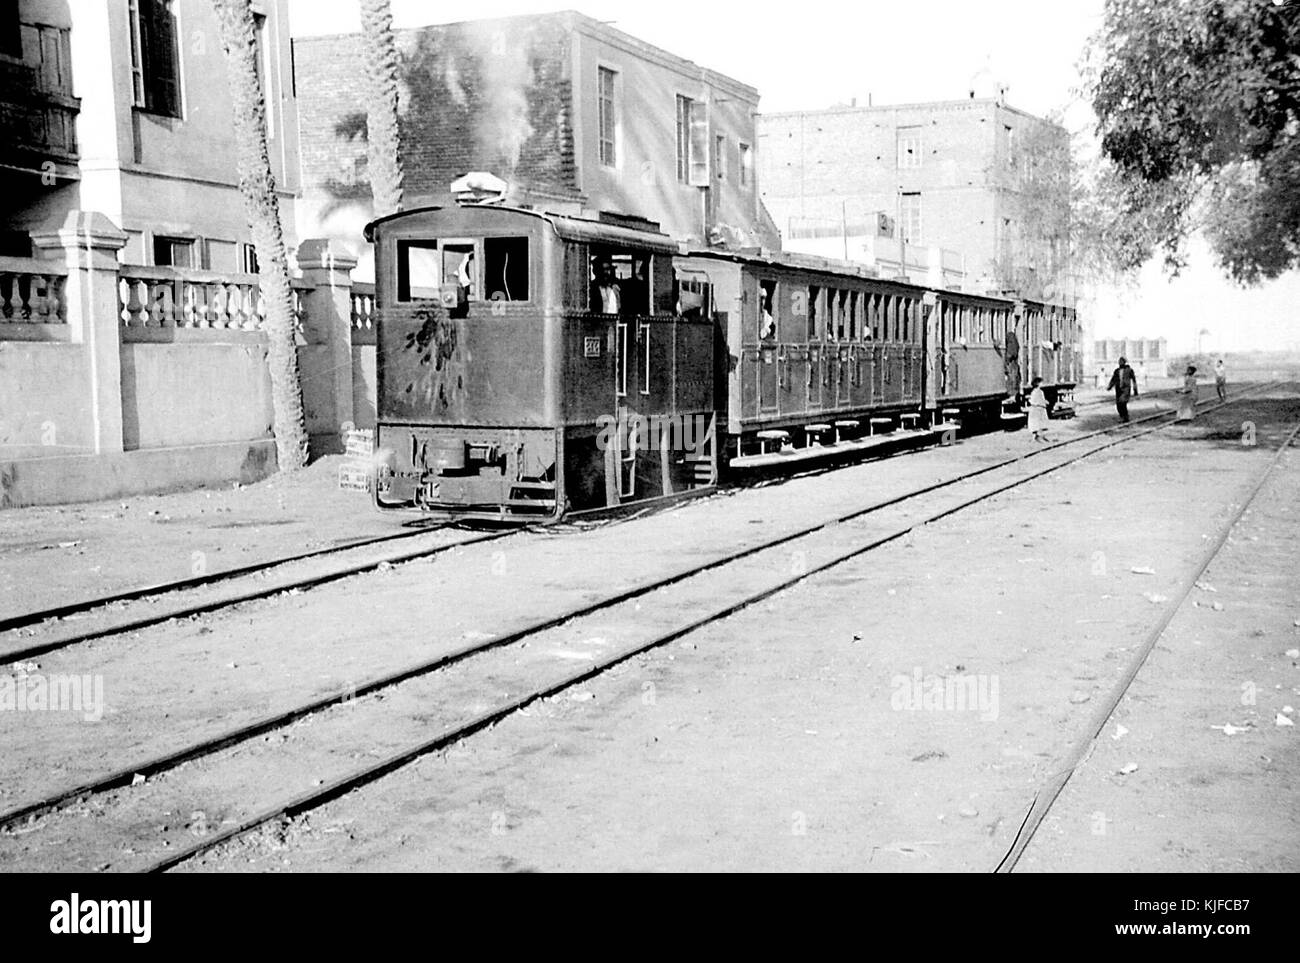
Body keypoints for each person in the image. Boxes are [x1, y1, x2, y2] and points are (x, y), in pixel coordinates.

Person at [1106, 356, 1139, 423]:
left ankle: (1125, 416)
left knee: (1122, 402)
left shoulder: (1129, 370)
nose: (1120, 363)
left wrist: (1135, 390)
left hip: (1126, 390)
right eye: (1119, 361)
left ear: (1124, 362)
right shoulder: (1117, 371)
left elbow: (1134, 380)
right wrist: (1110, 386)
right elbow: (1113, 379)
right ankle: (1123, 416)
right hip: (1118, 390)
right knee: (1118, 405)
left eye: (1122, 361)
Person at [1027, 375, 1050, 442]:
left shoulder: (1040, 391)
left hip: (1040, 409)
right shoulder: (1035, 392)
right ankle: (1037, 437)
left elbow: (1041, 399)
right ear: (1038, 383)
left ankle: (1039, 437)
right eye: (1041, 383)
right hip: (1036, 409)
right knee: (1036, 424)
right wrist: (1041, 403)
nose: (1042, 384)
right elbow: (1033, 401)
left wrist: (1045, 401)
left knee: (1040, 424)